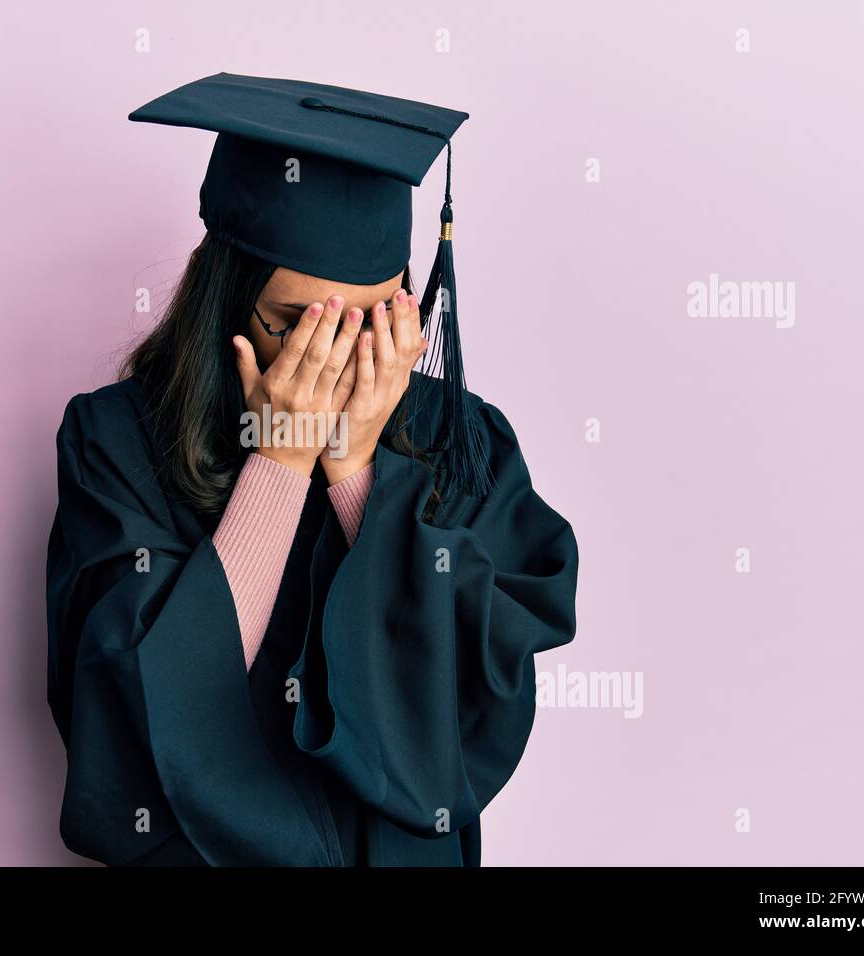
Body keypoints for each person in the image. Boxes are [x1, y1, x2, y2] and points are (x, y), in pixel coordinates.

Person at [45, 73, 580, 866]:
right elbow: (131, 711)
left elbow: (475, 699)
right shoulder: (117, 440)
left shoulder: (464, 442)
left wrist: (358, 474)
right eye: (301, 327)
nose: (338, 360)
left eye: (374, 321)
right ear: (226, 303)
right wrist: (282, 456)